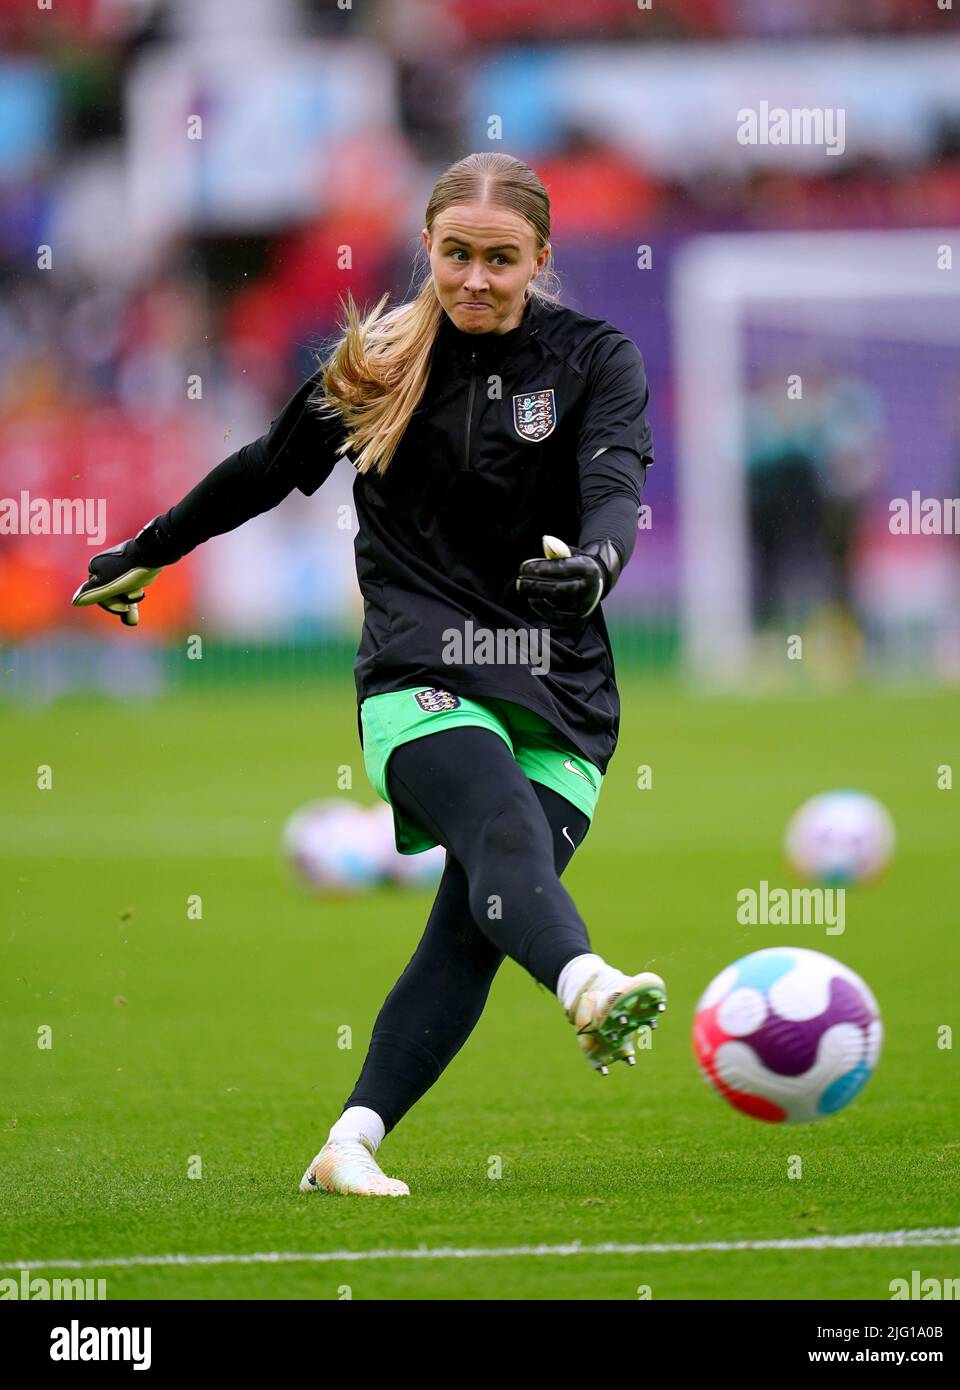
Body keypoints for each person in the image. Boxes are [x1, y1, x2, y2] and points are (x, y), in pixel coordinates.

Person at [72, 151, 666, 1199]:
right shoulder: (376, 363)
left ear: (540, 258)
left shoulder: (593, 358)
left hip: (562, 686)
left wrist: (595, 568)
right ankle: (587, 981)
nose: (476, 278)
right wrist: (150, 548)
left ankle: (350, 1142)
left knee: (475, 925)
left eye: (500, 258)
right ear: (427, 249)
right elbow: (263, 468)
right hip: (421, 666)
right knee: (496, 829)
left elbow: (614, 485)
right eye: (455, 254)